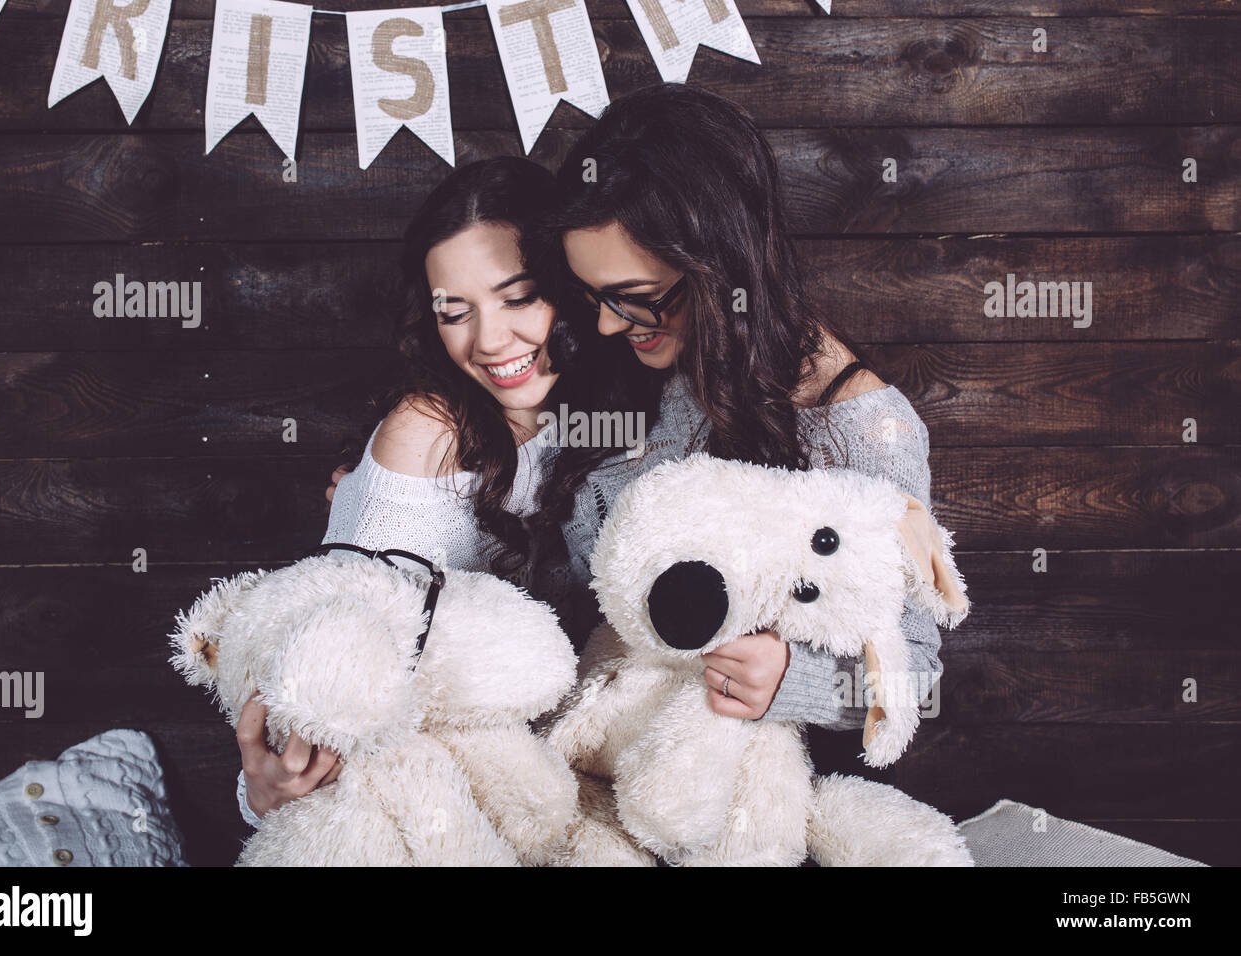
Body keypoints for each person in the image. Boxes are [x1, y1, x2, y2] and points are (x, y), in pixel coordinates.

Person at [528, 82, 947, 784]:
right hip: (588, 760)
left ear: (722, 264)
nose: (606, 323)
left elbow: (920, 678)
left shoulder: (864, 431)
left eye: (635, 298)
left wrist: (791, 678)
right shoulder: (617, 364)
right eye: (592, 295)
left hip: (749, 797)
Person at [234, 157, 638, 826]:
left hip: (584, 796)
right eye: (456, 312)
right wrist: (266, 792)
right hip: (440, 811)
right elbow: (329, 677)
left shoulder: (626, 401)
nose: (489, 340)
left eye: (518, 296)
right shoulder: (426, 435)